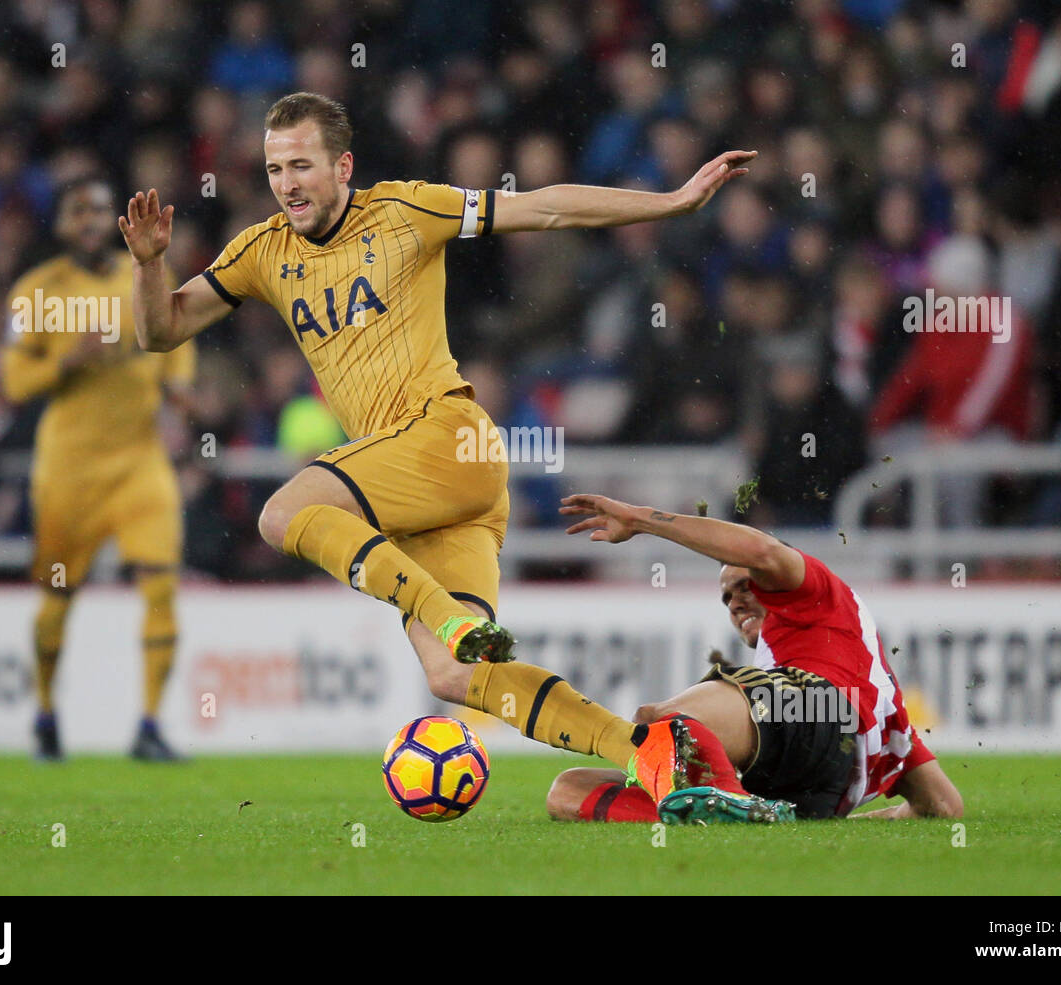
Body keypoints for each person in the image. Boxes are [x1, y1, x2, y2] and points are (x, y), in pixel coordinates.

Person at [117, 90, 760, 800]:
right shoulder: (263, 251)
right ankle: (649, 753)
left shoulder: (405, 210)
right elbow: (159, 332)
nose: (287, 184)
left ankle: (449, 617)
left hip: (444, 438)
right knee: (455, 676)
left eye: (301, 165)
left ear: (343, 166)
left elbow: (543, 207)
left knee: (280, 515)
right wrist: (149, 264)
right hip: (426, 492)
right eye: (275, 169)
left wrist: (670, 202)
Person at [547, 493, 963, 822]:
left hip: (819, 710)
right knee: (568, 790)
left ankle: (729, 798)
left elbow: (762, 551)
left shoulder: (815, 591)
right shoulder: (881, 702)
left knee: (661, 723)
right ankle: (733, 810)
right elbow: (942, 804)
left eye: (745, 584)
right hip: (808, 797)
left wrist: (641, 520)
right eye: (726, 596)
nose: (735, 601)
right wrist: (861, 824)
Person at [3, 176, 196, 762]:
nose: (89, 220)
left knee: (161, 584)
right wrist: (69, 361)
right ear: (59, 224)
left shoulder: (143, 274)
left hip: (140, 461)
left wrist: (182, 396)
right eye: (76, 210)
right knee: (60, 596)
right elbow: (13, 384)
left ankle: (150, 726)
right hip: (69, 469)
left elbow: (176, 350)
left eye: (99, 209)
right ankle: (44, 713)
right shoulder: (38, 291)